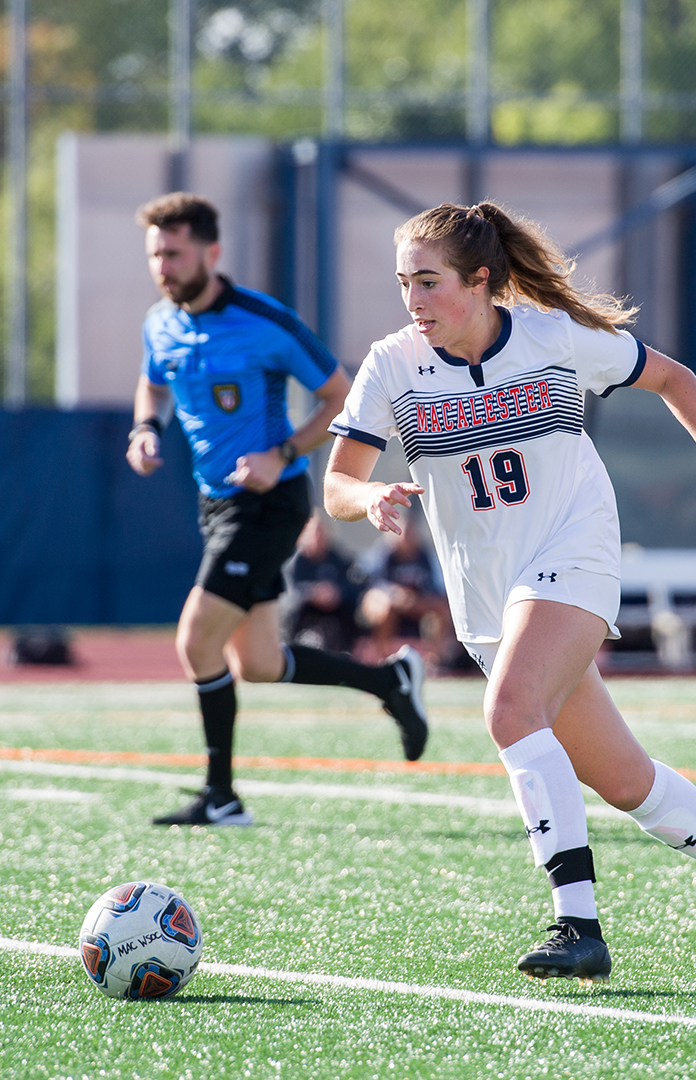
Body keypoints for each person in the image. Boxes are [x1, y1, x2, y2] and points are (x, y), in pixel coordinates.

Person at [323, 201, 696, 983]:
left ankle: (576, 922)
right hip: (490, 603)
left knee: (509, 712)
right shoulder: (393, 364)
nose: (413, 300)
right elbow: (337, 482)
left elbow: (672, 377)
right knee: (628, 784)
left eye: (429, 281)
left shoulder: (551, 336)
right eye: (403, 282)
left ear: (481, 281)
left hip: (574, 557)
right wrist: (367, 498)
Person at [127, 192, 429, 828]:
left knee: (195, 640)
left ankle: (221, 796)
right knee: (258, 664)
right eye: (155, 254)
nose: (163, 266)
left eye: (174, 253)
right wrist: (144, 429)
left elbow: (341, 396)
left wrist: (281, 451)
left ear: (211, 252)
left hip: (269, 503)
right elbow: (153, 382)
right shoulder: (160, 321)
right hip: (215, 504)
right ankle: (389, 683)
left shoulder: (266, 321)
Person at [356, 522, 454, 665]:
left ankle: (434, 659)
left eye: (409, 534)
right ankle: (383, 657)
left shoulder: (425, 556)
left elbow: (435, 587)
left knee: (442, 607)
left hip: (415, 603)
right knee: (386, 605)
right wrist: (395, 593)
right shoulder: (383, 555)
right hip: (386, 602)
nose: (406, 538)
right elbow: (371, 584)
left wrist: (414, 598)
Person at [283, 516, 365, 654]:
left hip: (336, 620)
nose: (317, 538)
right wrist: (313, 593)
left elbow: (355, 586)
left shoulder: (339, 559)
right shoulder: (295, 563)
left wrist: (337, 594)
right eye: (314, 534)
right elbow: (289, 594)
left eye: (321, 533)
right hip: (304, 620)